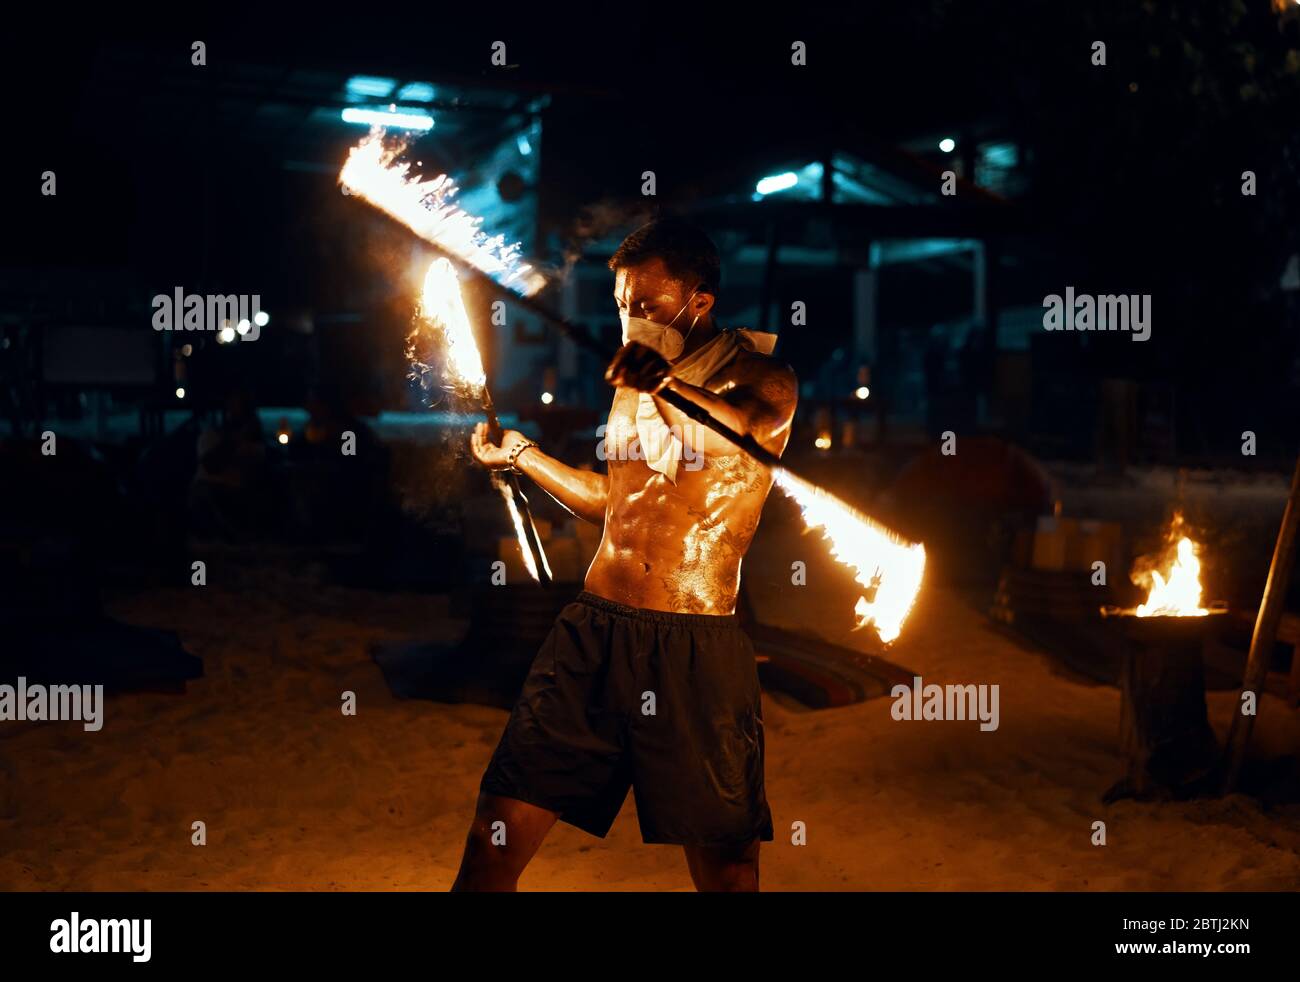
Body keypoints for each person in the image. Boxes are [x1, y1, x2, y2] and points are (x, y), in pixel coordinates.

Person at [454, 217, 798, 891]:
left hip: (694, 645)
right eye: (621, 306)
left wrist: (664, 386)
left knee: (728, 872)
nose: (630, 319)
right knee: (492, 837)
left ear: (700, 299)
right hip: (594, 632)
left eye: (646, 304)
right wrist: (523, 456)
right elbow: (615, 504)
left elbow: (743, 438)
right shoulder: (631, 385)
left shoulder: (762, 379)